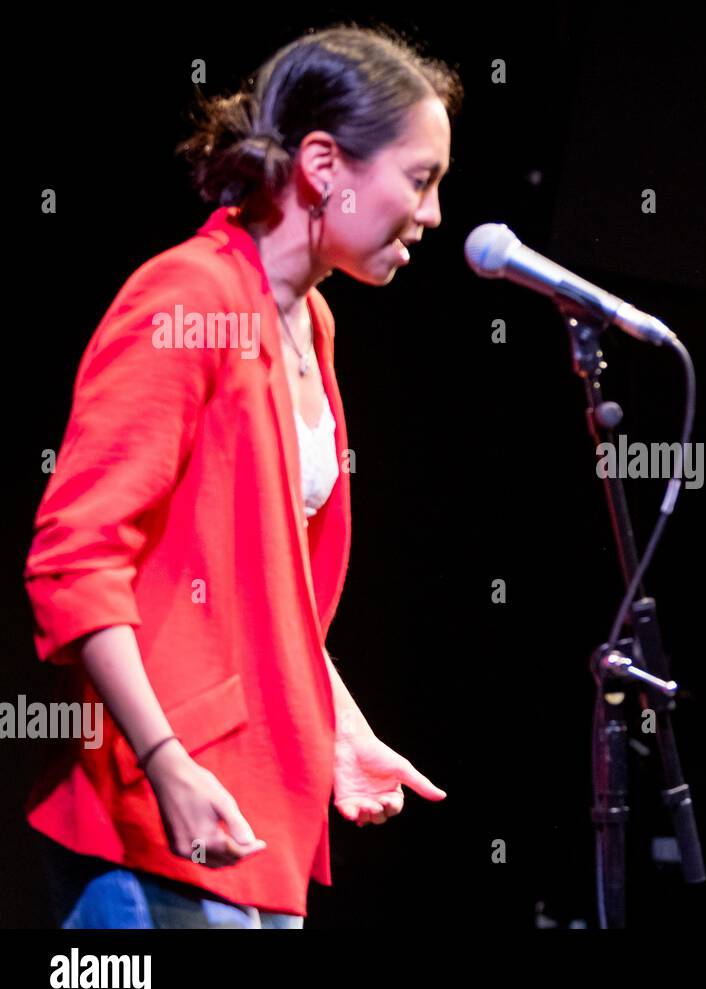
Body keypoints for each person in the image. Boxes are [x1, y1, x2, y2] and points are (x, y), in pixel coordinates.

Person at [23, 24, 462, 928]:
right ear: (322, 163)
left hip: (260, 815)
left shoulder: (311, 325)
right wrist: (166, 758)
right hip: (155, 816)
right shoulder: (190, 297)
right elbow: (75, 560)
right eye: (420, 180)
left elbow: (268, 585)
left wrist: (335, 726)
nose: (432, 215)